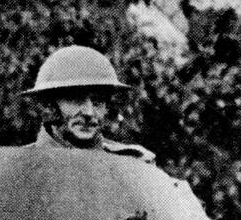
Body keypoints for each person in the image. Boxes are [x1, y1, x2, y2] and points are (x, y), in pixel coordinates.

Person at [23, 46, 155, 163]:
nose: (89, 112)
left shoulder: (131, 163)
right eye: (76, 100)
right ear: (49, 105)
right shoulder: (21, 167)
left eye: (98, 102)